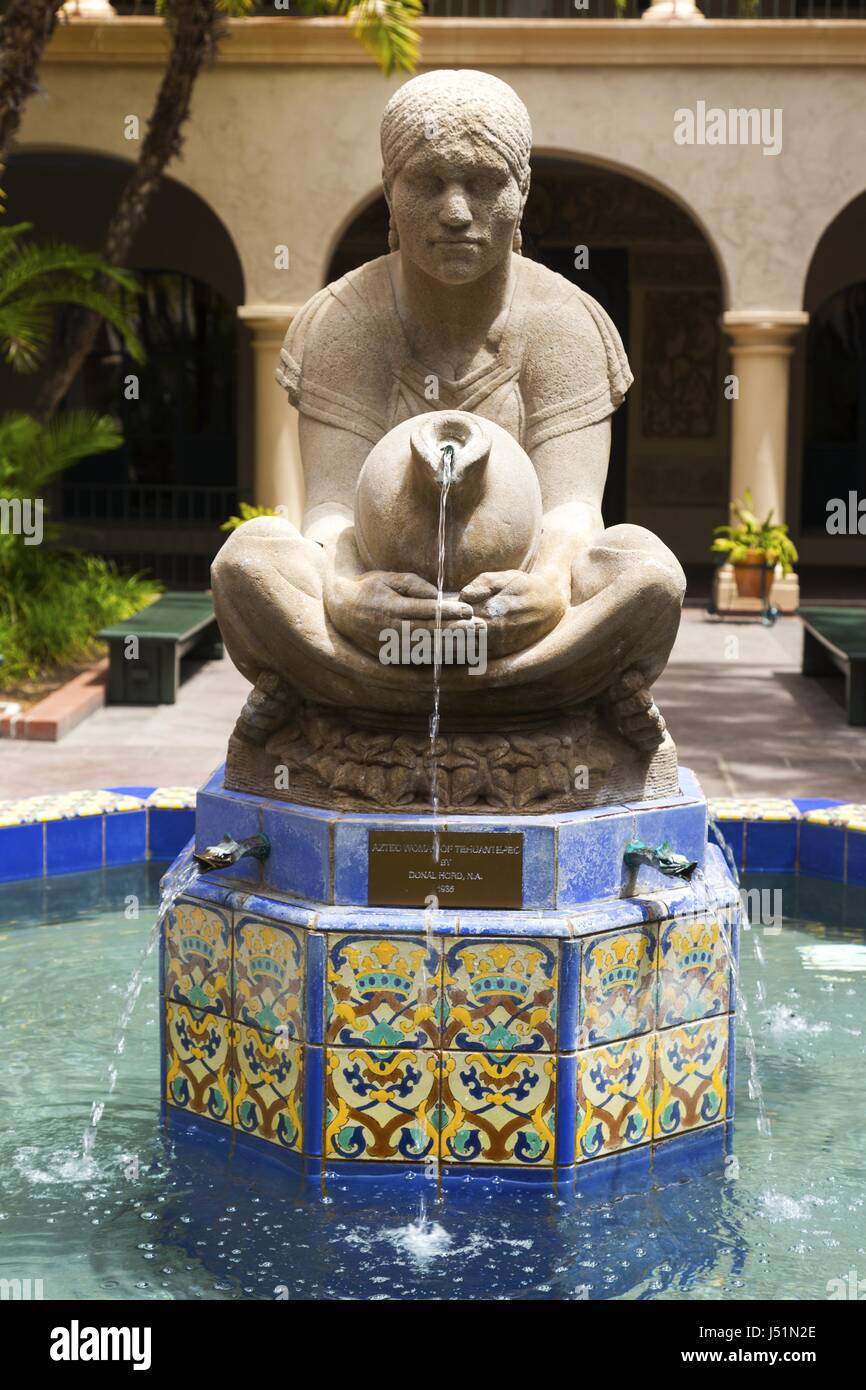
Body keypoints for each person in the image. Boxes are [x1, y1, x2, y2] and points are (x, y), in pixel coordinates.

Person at [213, 69, 685, 749]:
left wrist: (549, 589)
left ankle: (321, 688)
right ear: (389, 192)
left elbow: (574, 513)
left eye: (485, 181)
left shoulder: (566, 323)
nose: (457, 212)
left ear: (522, 193)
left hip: (517, 617)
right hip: (378, 614)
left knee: (647, 572)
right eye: (428, 182)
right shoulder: (345, 320)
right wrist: (346, 594)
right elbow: (331, 512)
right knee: (248, 561)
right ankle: (569, 695)